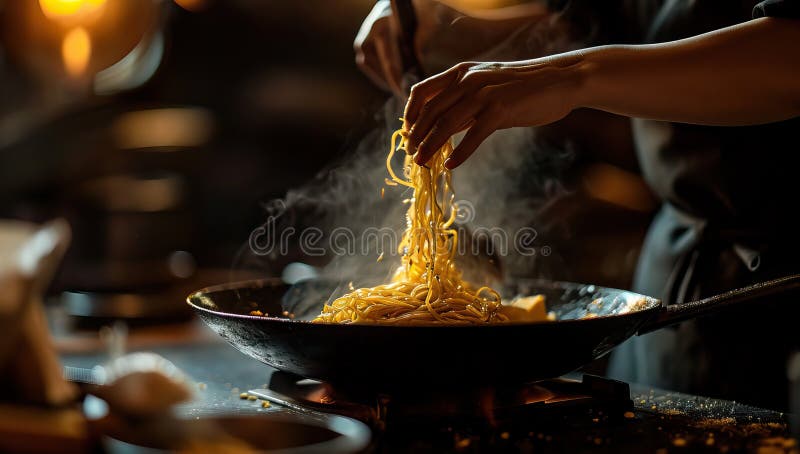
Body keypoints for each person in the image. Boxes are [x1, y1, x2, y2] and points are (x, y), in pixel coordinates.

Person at [356, 0, 800, 411]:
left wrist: (574, 75)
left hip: (783, 284)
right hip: (680, 259)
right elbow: (592, 19)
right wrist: (443, 29)